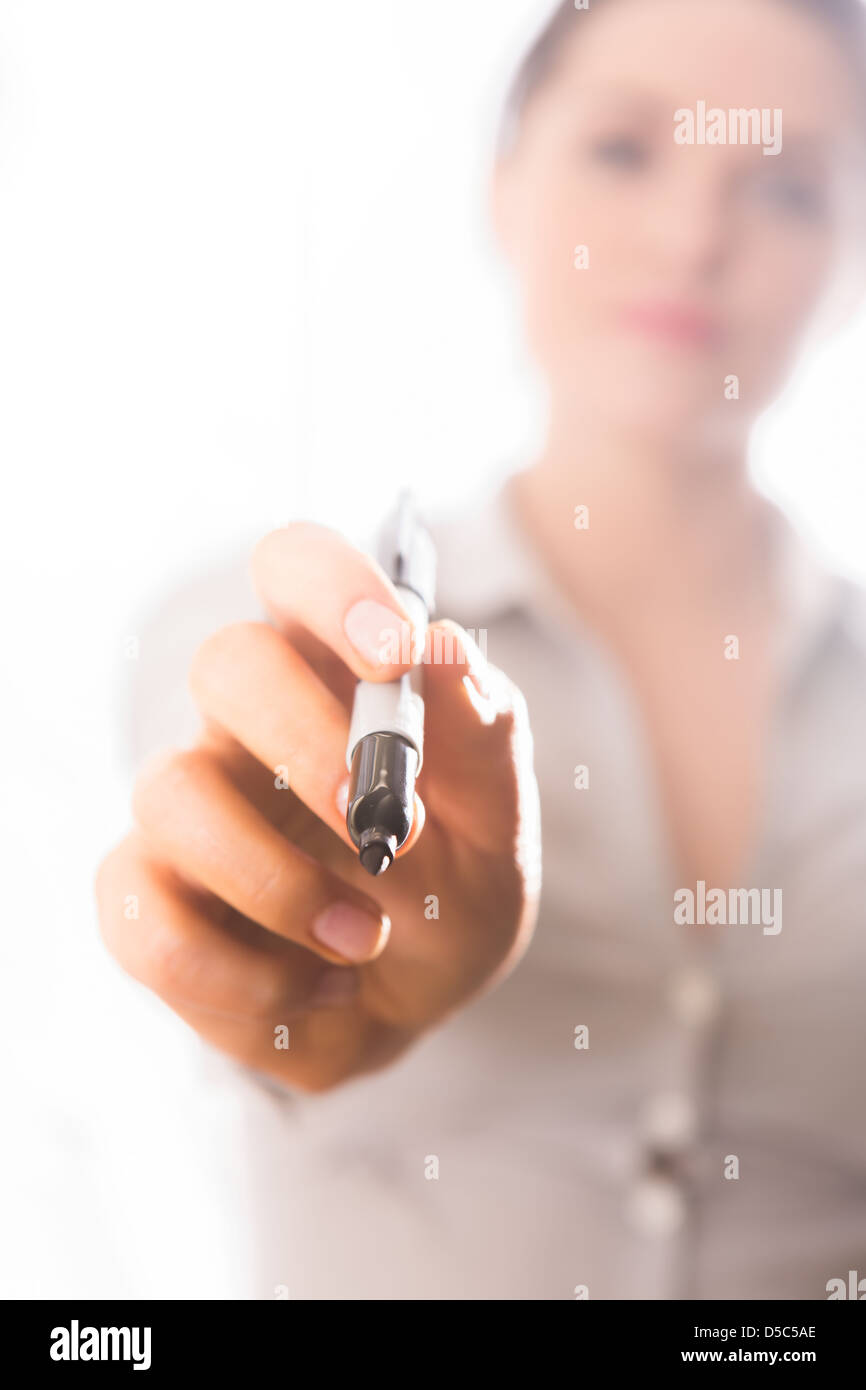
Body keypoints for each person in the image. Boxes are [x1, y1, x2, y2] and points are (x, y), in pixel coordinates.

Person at [95, 0, 866, 1299]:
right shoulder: (266, 636)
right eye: (623, 151)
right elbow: (244, 965)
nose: (690, 239)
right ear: (504, 186)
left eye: (783, 188)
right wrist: (296, 981)